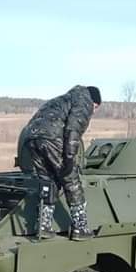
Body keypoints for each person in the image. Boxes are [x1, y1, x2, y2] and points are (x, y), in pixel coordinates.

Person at [16, 85, 102, 240]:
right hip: (52, 137)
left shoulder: (62, 100)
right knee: (71, 180)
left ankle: (43, 226)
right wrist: (69, 158)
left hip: (31, 138)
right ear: (94, 102)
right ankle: (80, 228)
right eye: (95, 108)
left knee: (47, 181)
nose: (93, 111)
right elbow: (73, 130)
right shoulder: (85, 101)